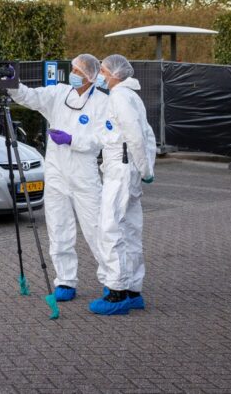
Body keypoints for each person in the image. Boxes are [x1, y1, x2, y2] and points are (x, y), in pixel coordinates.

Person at [9, 54, 109, 301]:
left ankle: (112, 280)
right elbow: (31, 97)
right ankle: (65, 281)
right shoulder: (59, 93)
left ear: (90, 76)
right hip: (56, 172)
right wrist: (12, 84)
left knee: (96, 228)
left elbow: (102, 139)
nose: (72, 73)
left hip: (83, 174)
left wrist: (73, 140)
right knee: (58, 226)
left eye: (77, 70)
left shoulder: (102, 103)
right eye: (73, 68)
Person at [89, 54, 156, 316]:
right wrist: (146, 169)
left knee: (110, 227)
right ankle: (132, 289)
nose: (102, 75)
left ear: (115, 74)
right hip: (126, 169)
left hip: (121, 169)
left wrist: (144, 167)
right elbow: (146, 134)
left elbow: (137, 137)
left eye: (104, 71)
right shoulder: (130, 97)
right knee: (129, 229)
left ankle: (117, 292)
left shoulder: (119, 97)